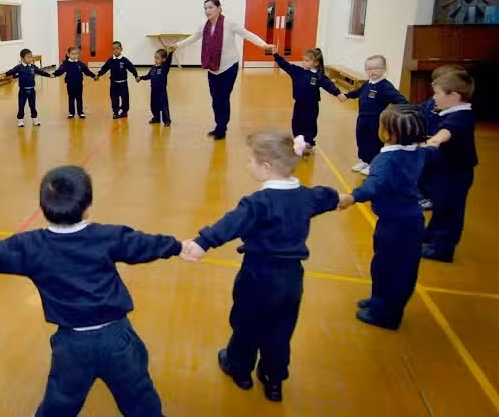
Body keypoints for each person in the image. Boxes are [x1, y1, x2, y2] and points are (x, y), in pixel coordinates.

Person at [0, 165, 180, 417]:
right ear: (88, 206)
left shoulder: (29, 247)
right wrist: (179, 247)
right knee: (141, 400)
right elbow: (144, 245)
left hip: (72, 345)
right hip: (119, 339)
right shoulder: (109, 236)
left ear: (43, 209)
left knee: (61, 401)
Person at [180, 131, 339, 402]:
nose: (248, 165)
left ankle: (239, 368)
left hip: (258, 275)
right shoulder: (306, 196)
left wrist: (202, 242)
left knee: (246, 323)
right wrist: (340, 198)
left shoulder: (258, 203)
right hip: (291, 279)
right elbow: (328, 196)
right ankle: (273, 379)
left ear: (266, 167)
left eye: (251, 160)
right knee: (281, 329)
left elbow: (230, 224)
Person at [338, 105, 428, 329]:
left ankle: (388, 313)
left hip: (398, 224)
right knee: (383, 265)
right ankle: (380, 301)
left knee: (393, 269)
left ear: (388, 134)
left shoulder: (386, 161)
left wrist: (352, 196)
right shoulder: (417, 151)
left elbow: (375, 185)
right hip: (403, 219)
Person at [170, 0, 275, 139]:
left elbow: (246, 34)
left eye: (210, 7)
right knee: (215, 99)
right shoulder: (204, 26)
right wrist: (177, 45)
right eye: (205, 8)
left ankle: (222, 128)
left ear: (219, 8)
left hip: (229, 66)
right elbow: (193, 37)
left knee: (223, 98)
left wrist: (264, 45)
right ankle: (219, 125)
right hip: (213, 68)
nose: (207, 11)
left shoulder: (229, 23)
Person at [421, 71, 477, 263]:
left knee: (449, 209)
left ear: (453, 95)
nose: (434, 98)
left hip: (455, 173)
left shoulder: (462, 116)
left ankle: (442, 248)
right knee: (440, 203)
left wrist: (435, 140)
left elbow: (449, 130)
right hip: (444, 169)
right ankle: (431, 236)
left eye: (437, 94)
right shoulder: (450, 112)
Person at [344, 55, 408, 175]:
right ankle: (365, 160)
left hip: (376, 121)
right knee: (361, 140)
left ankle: (374, 163)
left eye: (376, 68)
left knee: (374, 142)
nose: (372, 71)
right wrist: (347, 95)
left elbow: (401, 101)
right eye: (368, 68)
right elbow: (357, 92)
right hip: (362, 118)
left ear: (384, 69)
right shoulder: (367, 84)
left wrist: (391, 114)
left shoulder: (385, 87)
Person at [274, 48, 347, 151]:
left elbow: (328, 85)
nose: (304, 62)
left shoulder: (319, 76)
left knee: (309, 123)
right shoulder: (297, 71)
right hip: (299, 104)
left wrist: (338, 93)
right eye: (303, 60)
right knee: (297, 123)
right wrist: (276, 55)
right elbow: (284, 65)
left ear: (316, 62)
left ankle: (308, 142)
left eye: (307, 60)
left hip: (311, 106)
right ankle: (298, 141)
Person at [417, 64, 465, 210]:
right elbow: (420, 109)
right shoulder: (433, 101)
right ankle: (421, 194)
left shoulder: (456, 110)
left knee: (435, 174)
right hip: (426, 142)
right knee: (422, 169)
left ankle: (431, 198)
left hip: (441, 148)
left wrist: (436, 140)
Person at [4, 48, 52, 127]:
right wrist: (4, 75)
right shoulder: (19, 67)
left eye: (31, 57)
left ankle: (34, 119)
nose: (30, 59)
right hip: (23, 90)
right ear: (22, 58)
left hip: (32, 90)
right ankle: (20, 120)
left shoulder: (33, 67)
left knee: (32, 105)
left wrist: (49, 75)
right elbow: (11, 71)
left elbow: (41, 72)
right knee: (21, 105)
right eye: (28, 57)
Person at [96, 41, 139, 119]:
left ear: (121, 49)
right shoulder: (110, 60)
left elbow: (132, 68)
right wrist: (99, 75)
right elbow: (104, 68)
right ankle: (115, 112)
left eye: (117, 48)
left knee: (125, 98)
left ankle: (124, 112)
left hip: (123, 84)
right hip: (114, 84)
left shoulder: (124, 60)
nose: (115, 50)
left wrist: (136, 75)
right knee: (114, 98)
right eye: (113, 49)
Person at [53, 46, 96, 119]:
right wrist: (54, 74)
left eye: (76, 54)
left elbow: (86, 71)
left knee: (79, 98)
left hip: (79, 84)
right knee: (71, 98)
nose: (75, 56)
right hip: (70, 84)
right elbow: (60, 71)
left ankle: (80, 112)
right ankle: (71, 112)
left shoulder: (80, 63)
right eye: (72, 54)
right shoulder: (66, 64)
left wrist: (93, 76)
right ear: (68, 54)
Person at [138, 49, 173, 126]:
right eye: (155, 58)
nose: (155, 60)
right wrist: (141, 78)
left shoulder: (164, 67)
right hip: (153, 90)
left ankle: (167, 120)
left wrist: (170, 53)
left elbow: (168, 61)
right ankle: (156, 118)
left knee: (164, 106)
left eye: (158, 58)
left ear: (163, 59)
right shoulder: (153, 67)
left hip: (161, 91)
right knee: (153, 105)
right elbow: (149, 76)